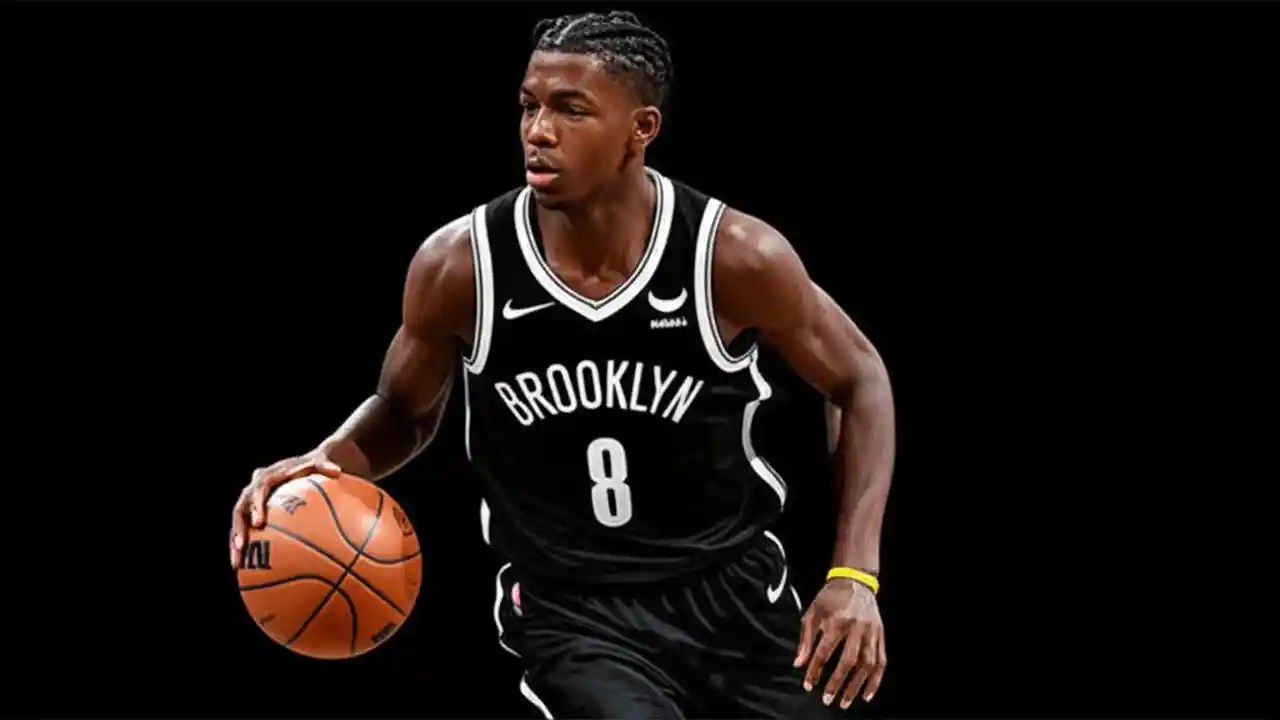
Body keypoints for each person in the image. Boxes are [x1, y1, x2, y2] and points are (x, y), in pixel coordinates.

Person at [229, 10, 895, 719]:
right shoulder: (462, 266)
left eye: (570, 110)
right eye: (529, 106)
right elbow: (404, 411)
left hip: (730, 593)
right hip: (572, 611)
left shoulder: (732, 257)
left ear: (641, 130)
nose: (537, 130)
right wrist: (326, 458)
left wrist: (855, 574)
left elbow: (859, 380)